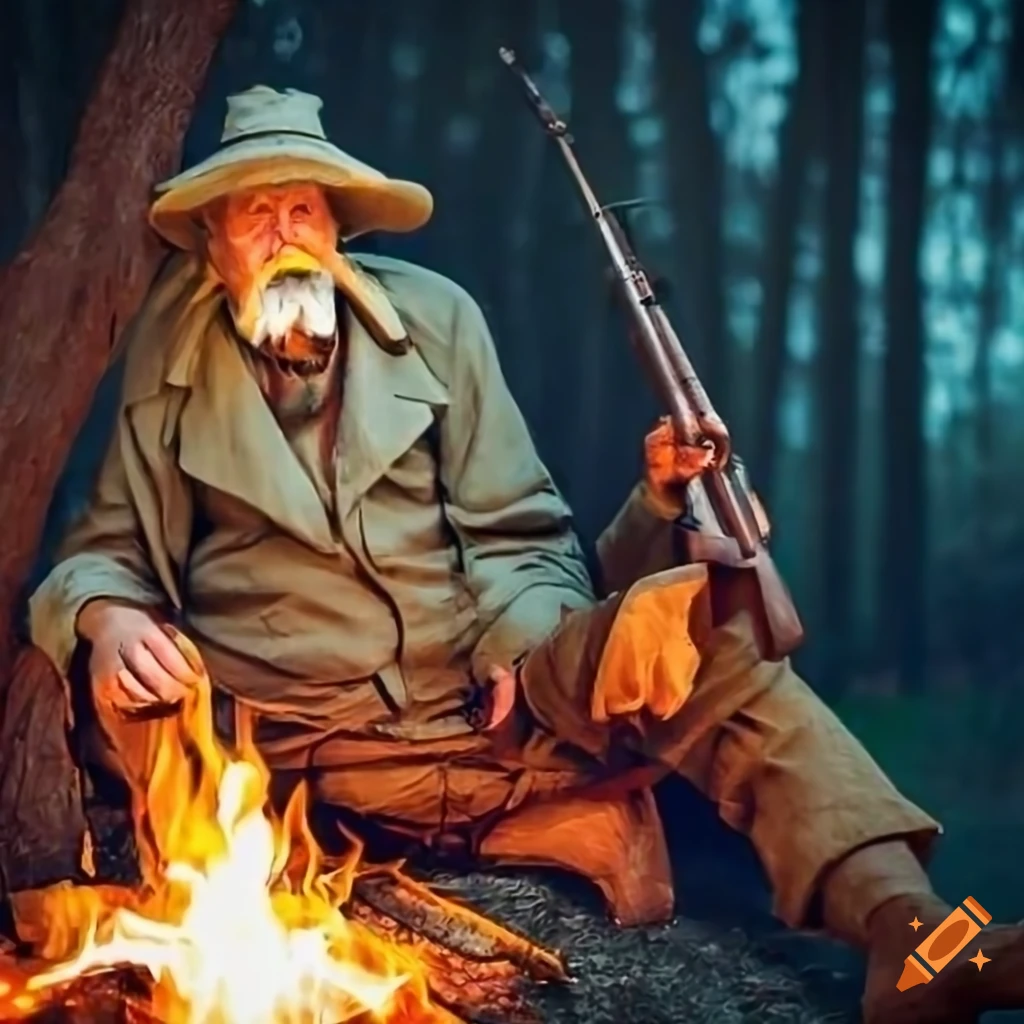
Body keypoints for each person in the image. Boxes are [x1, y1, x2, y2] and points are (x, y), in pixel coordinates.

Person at [20, 85, 1024, 1023]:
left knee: (724, 654)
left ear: (339, 227)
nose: (285, 232)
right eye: (255, 213)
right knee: (137, 697)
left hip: (489, 709)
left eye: (306, 209)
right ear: (213, 241)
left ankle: (910, 934)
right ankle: (553, 828)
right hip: (308, 747)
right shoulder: (172, 359)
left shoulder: (438, 319)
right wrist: (105, 615)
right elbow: (109, 547)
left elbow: (519, 527)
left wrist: (518, 645)